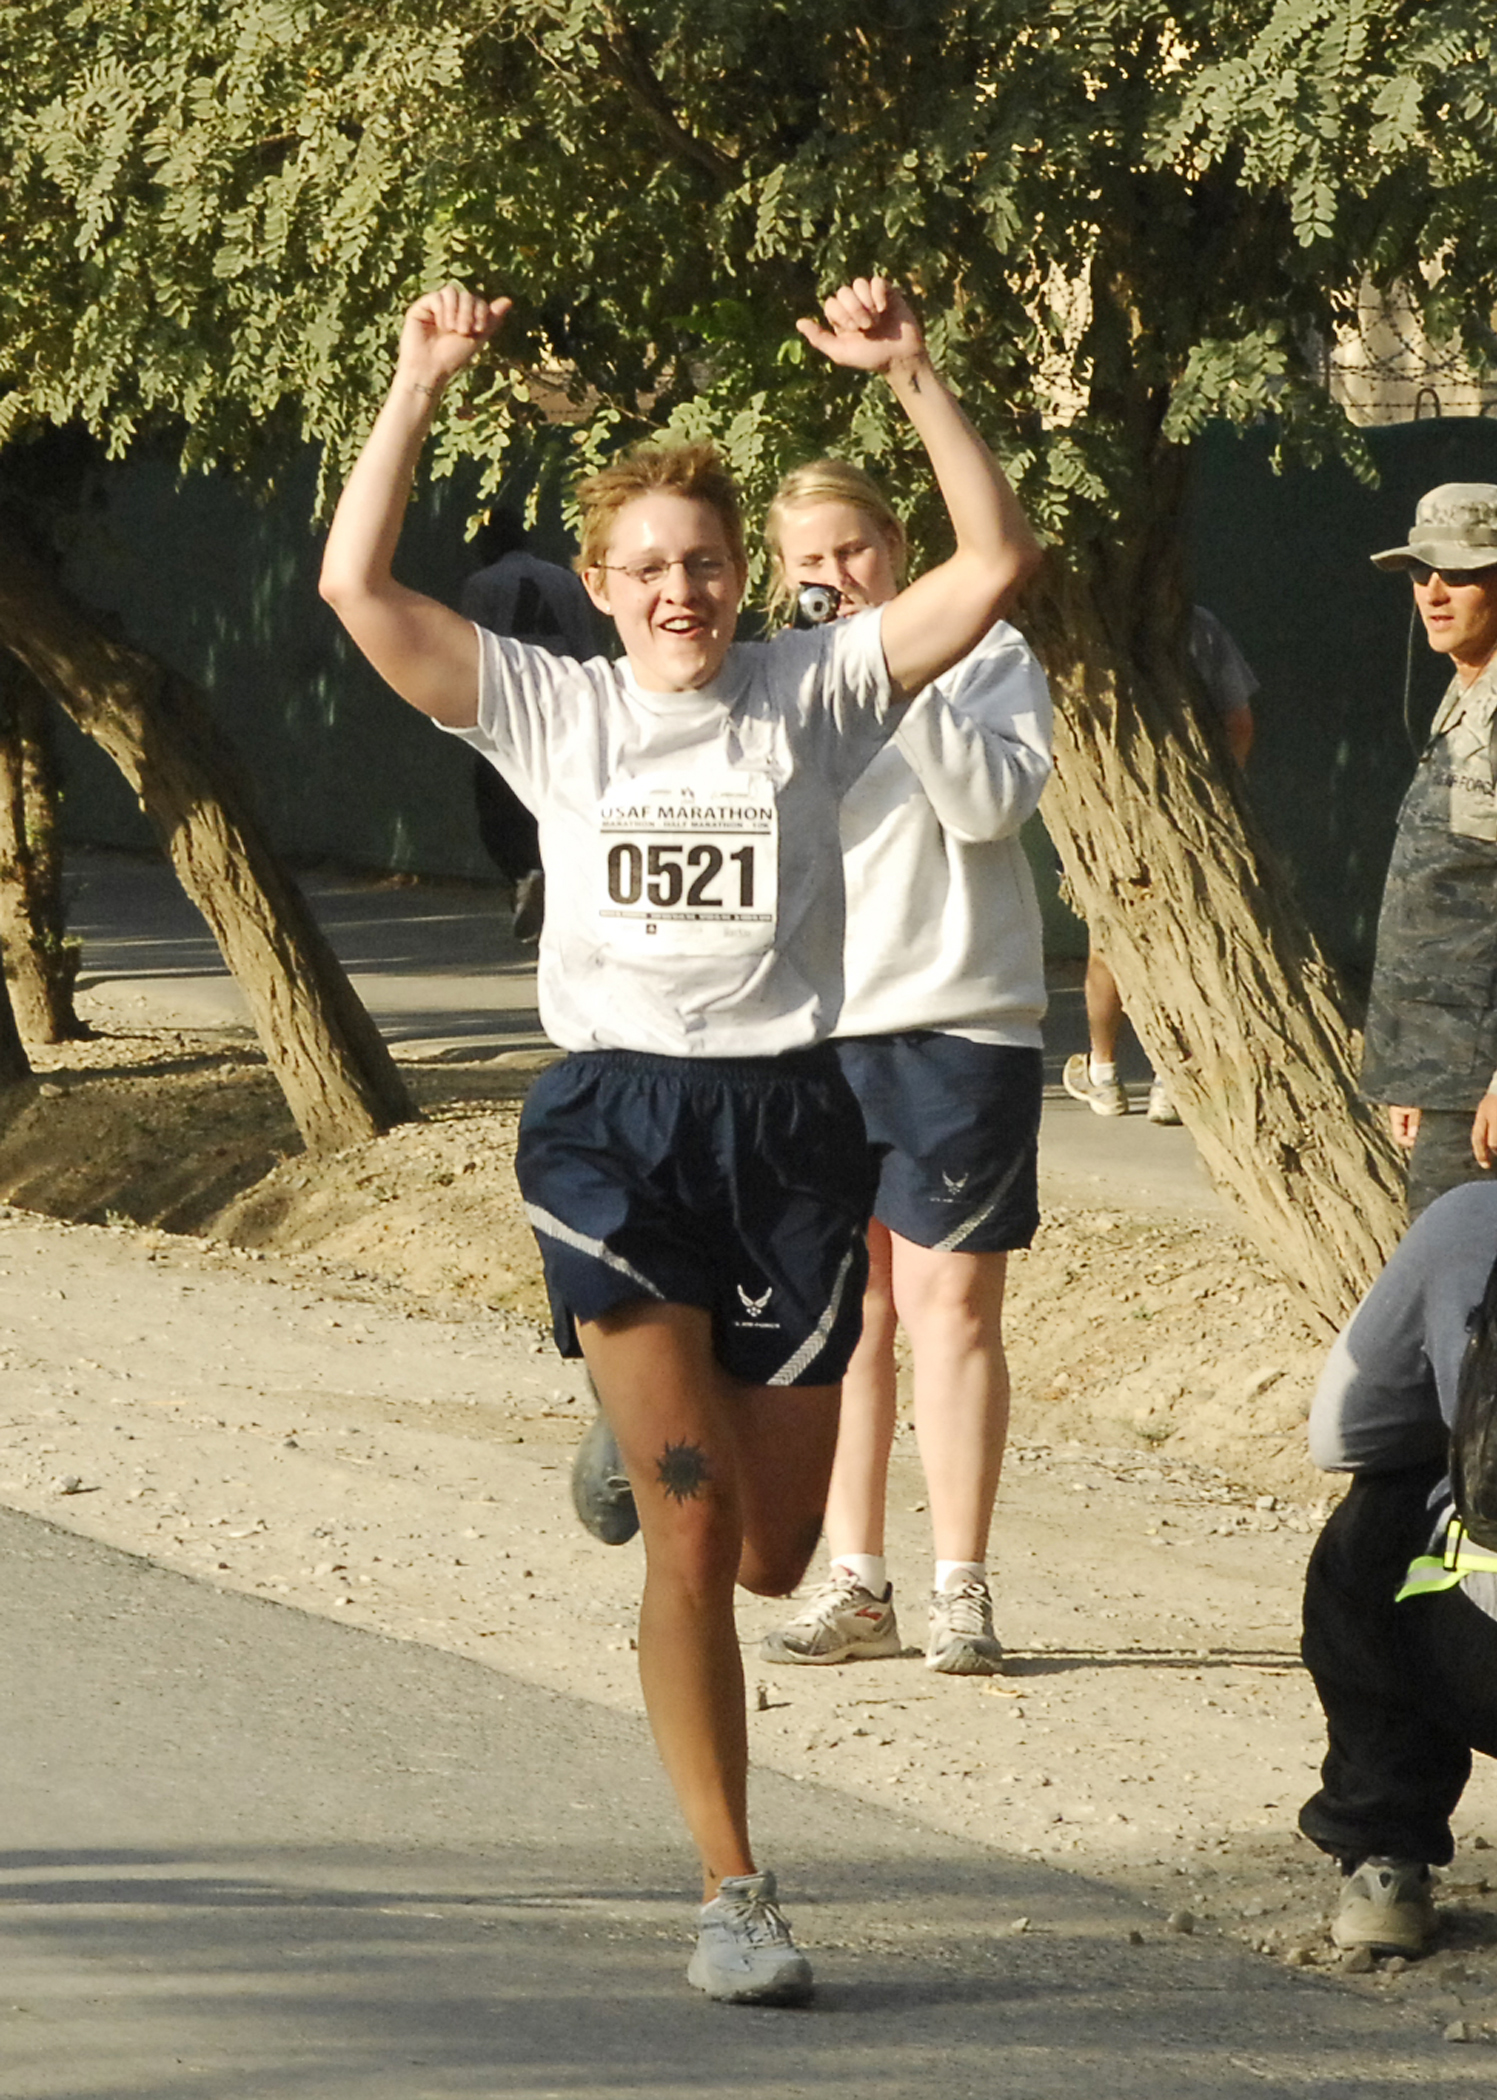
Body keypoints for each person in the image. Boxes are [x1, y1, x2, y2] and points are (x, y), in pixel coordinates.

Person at [318, 276, 1040, 2003]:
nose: (678, 591)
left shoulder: (816, 688)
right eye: (644, 567)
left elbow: (995, 568)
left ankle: (636, 1431)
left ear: (740, 574)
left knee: (782, 1553)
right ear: (601, 588)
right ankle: (734, 1891)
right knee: (702, 1534)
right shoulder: (552, 704)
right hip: (617, 1124)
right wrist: (417, 384)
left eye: (703, 562)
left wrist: (919, 378)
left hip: (794, 1124)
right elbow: (357, 587)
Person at [752, 458, 1052, 1676]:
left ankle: (962, 1588)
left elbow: (987, 811)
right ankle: (857, 1583)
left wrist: (903, 665)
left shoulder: (986, 656)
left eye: (855, 554)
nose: (836, 581)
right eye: (810, 564)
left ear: (899, 545)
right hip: (821, 1030)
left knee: (953, 1312)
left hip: (959, 1023)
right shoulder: (779, 679)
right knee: (852, 1321)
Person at [1300, 1180, 1497, 1956]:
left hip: (1480, 1655)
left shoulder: (1474, 1220)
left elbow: (1344, 1438)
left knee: (1379, 1521)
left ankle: (1387, 1853)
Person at [1061, 607, 1256, 1123]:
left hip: (1111, 814)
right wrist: (1215, 801)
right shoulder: (1196, 625)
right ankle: (1170, 1078)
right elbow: (1238, 723)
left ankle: (1105, 1074)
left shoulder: (1079, 628)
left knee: (1106, 946)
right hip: (1189, 819)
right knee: (1181, 945)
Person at [1363, 484, 1497, 1217]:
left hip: (1485, 1075)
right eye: (1422, 573)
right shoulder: (1465, 691)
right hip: (1444, 1071)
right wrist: (1411, 1070)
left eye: (1461, 571)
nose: (1434, 593)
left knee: (1471, 1302)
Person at [460, 509, 602, 941]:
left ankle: (527, 875)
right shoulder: (562, 578)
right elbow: (584, 644)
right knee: (560, 801)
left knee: (500, 808)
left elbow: (475, 649)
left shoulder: (483, 584)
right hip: (565, 700)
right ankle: (556, 883)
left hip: (510, 707)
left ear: (488, 545)